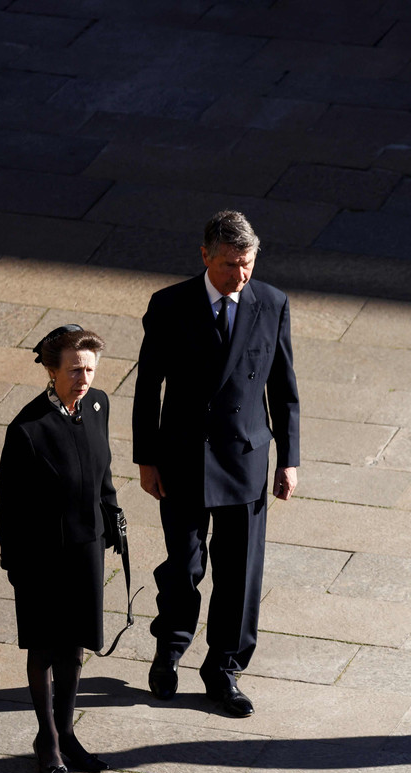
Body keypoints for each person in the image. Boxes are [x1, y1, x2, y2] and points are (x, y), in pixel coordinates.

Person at [134, 210, 300, 718]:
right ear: (205, 256)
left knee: (240, 573)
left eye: (247, 264)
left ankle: (224, 667)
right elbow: (147, 388)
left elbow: (284, 390)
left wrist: (289, 459)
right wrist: (146, 458)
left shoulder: (271, 304)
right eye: (229, 264)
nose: (239, 275)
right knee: (183, 567)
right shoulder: (169, 305)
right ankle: (170, 649)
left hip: (245, 459)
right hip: (183, 460)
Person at [0, 326, 118, 773]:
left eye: (89, 369)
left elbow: (103, 470)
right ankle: (46, 739)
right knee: (45, 647)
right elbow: (6, 507)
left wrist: (113, 517)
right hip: (41, 557)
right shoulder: (27, 429)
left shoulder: (99, 404)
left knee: (76, 644)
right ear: (51, 370)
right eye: (73, 369)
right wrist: (16, 565)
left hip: (87, 548)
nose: (83, 378)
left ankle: (67, 734)